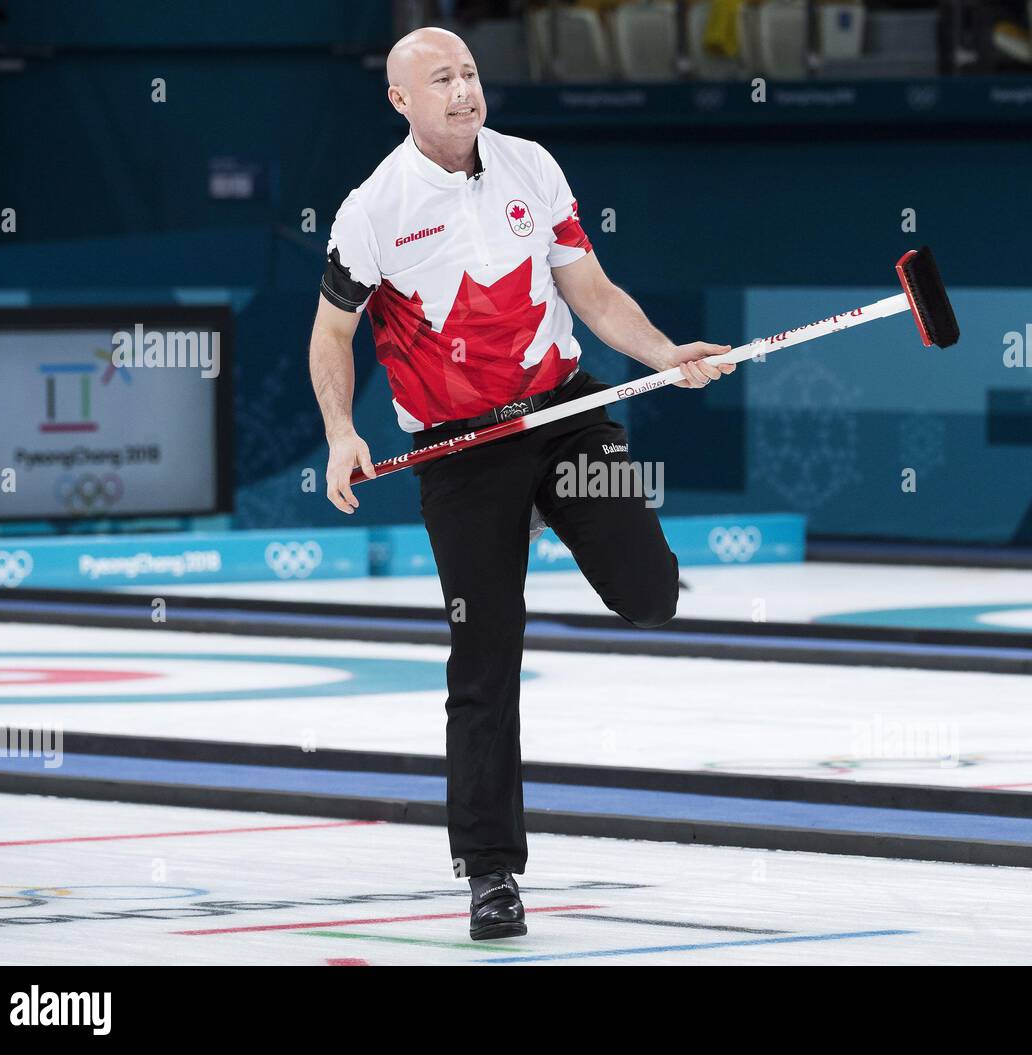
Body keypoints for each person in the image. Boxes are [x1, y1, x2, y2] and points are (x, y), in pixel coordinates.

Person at [308, 26, 734, 941]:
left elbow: (590, 287)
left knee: (652, 596)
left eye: (469, 73)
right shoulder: (371, 209)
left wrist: (666, 353)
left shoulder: (532, 166)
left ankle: (557, 505)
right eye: (442, 80)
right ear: (400, 101)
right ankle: (492, 871)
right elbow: (333, 335)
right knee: (486, 655)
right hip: (461, 453)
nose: (463, 91)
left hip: (560, 412)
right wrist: (342, 432)